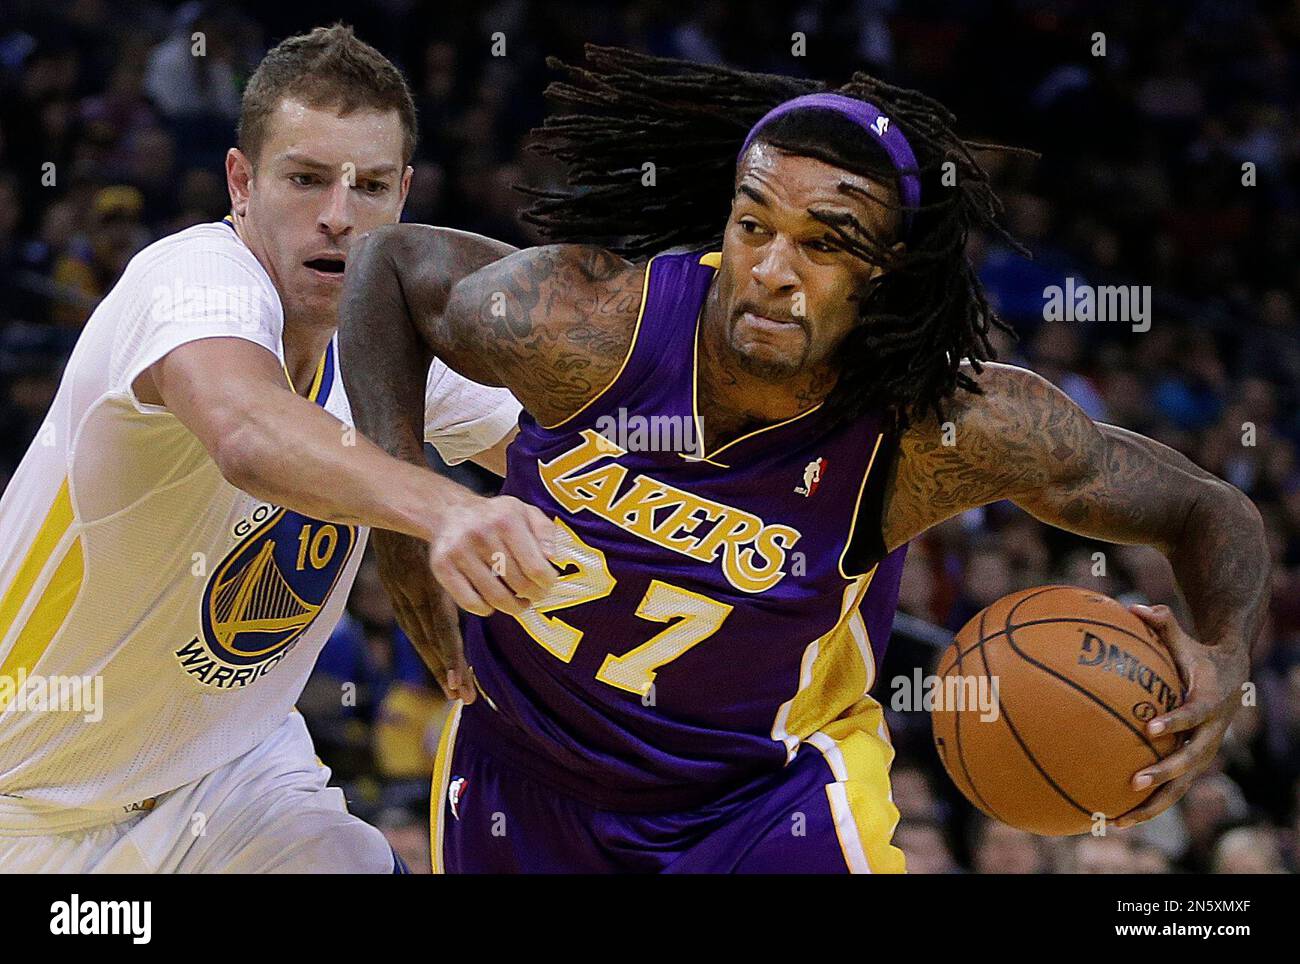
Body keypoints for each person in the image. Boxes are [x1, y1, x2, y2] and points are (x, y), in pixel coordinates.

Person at [342, 47, 1267, 873]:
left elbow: (1209, 510)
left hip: (766, 801)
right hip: (521, 770)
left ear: (888, 270)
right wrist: (403, 516)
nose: (774, 269)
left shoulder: (937, 431)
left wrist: (1224, 656)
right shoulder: (587, 329)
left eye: (824, 244)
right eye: (754, 227)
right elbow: (384, 265)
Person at [0, 25, 553, 874]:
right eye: (305, 179)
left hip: (233, 776)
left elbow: (577, 445)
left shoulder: (389, 341)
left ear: (403, 196)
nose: (339, 213)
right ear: (240, 182)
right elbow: (247, 431)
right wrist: (444, 507)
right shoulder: (189, 278)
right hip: (28, 806)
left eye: (370, 185)